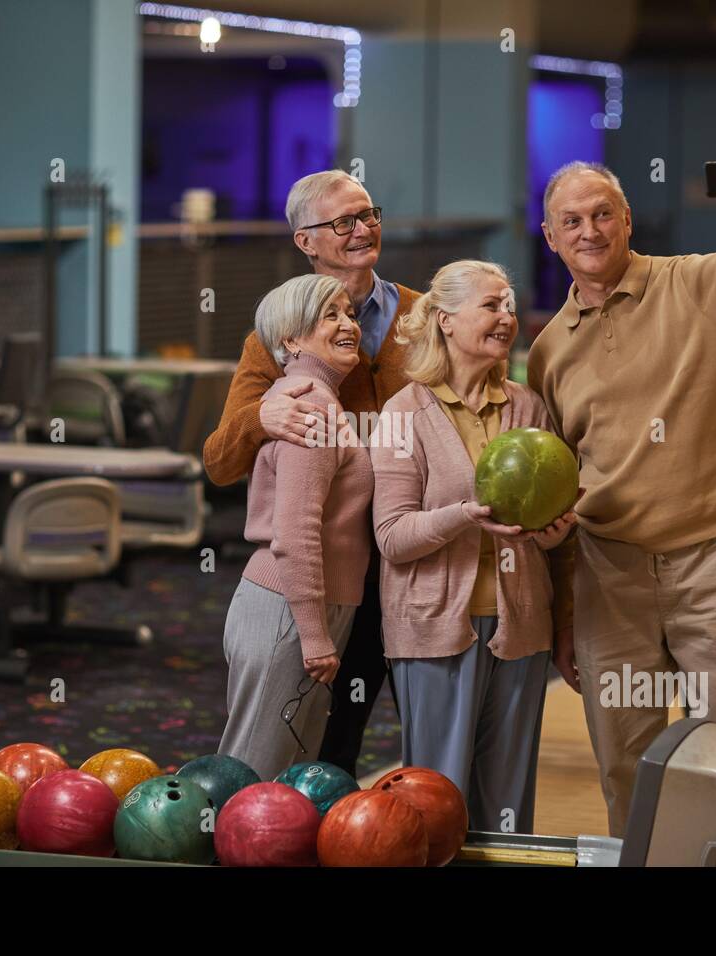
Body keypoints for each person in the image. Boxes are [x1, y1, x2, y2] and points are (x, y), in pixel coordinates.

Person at [528, 153, 716, 836]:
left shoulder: (699, 282)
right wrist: (567, 606)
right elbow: (558, 489)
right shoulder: (549, 352)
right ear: (550, 236)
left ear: (627, 219)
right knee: (624, 759)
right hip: (610, 573)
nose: (590, 230)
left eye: (603, 214)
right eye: (571, 220)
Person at [203, 169, 420, 776]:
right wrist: (261, 417)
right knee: (324, 748)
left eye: (368, 214)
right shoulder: (276, 338)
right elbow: (219, 461)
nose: (361, 230)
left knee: (429, 741)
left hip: (417, 566)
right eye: (341, 222)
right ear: (306, 242)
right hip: (328, 577)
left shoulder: (427, 319)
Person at [369, 259, 576, 833]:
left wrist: (556, 529)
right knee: (436, 801)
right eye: (491, 305)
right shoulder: (401, 414)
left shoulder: (527, 407)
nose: (507, 317)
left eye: (510, 304)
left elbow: (551, 517)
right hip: (434, 628)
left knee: (507, 805)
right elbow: (392, 537)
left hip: (522, 628)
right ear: (445, 320)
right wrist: (466, 515)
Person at [217, 274, 374, 781]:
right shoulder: (313, 405)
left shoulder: (317, 398)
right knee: (251, 776)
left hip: (304, 606)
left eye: (348, 313)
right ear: (291, 339)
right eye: (329, 315)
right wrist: (314, 634)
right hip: (289, 608)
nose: (347, 324)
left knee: (286, 780)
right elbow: (295, 529)